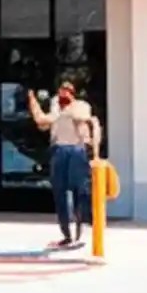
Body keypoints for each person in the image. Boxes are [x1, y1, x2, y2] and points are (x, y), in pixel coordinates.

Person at [28, 81, 99, 248]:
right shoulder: (55, 107)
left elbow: (86, 120)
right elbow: (41, 122)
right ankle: (66, 233)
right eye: (61, 90)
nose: (63, 94)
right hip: (59, 150)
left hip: (76, 149)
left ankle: (80, 228)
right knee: (59, 191)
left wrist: (94, 152)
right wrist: (33, 101)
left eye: (68, 91)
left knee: (79, 189)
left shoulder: (81, 106)